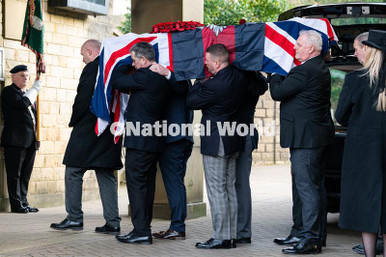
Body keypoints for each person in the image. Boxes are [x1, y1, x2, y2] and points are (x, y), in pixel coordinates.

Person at [270, 30, 334, 254]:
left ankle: (310, 239)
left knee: (307, 189)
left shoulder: (306, 70)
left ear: (311, 48)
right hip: (312, 137)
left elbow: (277, 92)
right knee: (312, 188)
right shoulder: (316, 68)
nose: (294, 48)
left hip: (307, 139)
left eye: (298, 44)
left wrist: (275, 71)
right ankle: (305, 233)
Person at [50, 39, 123, 233]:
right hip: (110, 129)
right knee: (106, 174)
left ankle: (74, 218)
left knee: (73, 171)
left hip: (89, 128)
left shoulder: (92, 68)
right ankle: (113, 222)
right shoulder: (113, 66)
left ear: (90, 51)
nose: (83, 60)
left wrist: (74, 120)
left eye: (83, 55)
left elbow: (83, 97)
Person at [187, 44, 248, 249]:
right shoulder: (239, 77)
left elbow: (190, 101)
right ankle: (230, 236)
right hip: (234, 138)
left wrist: (198, 81)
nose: (205, 63)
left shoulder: (213, 85)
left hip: (217, 141)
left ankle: (221, 237)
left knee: (216, 190)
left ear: (216, 62)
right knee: (229, 187)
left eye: (207, 60)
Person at [113, 42, 171, 244]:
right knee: (146, 186)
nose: (133, 64)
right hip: (154, 140)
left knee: (137, 186)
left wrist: (121, 62)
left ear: (144, 60)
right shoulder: (162, 78)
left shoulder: (145, 75)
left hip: (140, 141)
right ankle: (143, 229)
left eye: (134, 60)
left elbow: (117, 81)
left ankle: (141, 231)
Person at [335, 30, 386, 257]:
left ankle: (369, 255)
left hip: (362, 152)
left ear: (368, 50)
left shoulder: (355, 80)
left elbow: (341, 116)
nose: (355, 54)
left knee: (366, 204)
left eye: (357, 49)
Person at [149, 64, 194, 240]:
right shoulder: (181, 77)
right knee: (177, 182)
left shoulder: (179, 77)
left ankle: (177, 227)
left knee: (174, 183)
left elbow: (180, 88)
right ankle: (177, 226)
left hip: (175, 140)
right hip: (180, 139)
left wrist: (167, 73)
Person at [1, 65, 42, 213]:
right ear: (13, 76)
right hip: (15, 140)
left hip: (31, 140)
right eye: (22, 75)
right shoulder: (9, 92)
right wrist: (34, 89)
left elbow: (33, 118)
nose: (26, 78)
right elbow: (22, 104)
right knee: (14, 174)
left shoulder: (28, 94)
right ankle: (16, 205)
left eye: (27, 76)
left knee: (25, 174)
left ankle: (24, 201)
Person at [235, 71, 268, 244]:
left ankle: (238, 230)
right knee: (241, 183)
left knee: (236, 184)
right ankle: (242, 230)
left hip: (235, 133)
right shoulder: (256, 80)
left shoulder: (235, 79)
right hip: (247, 131)